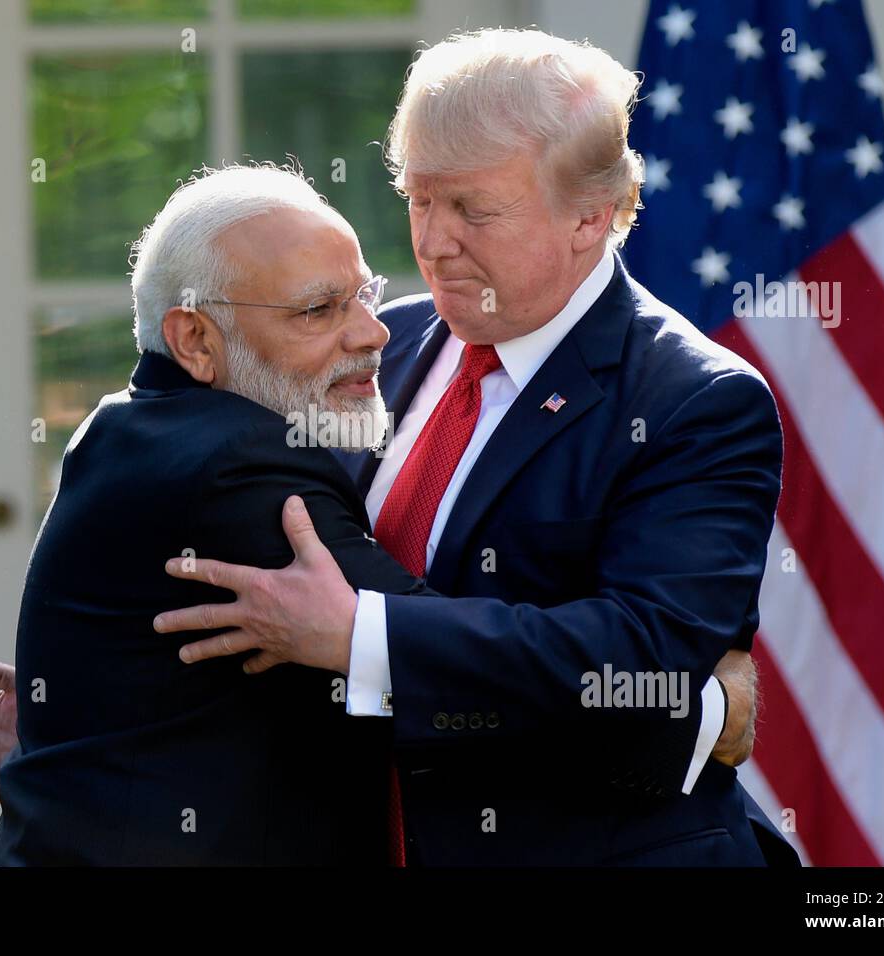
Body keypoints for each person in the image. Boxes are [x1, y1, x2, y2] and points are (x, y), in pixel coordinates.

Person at [0, 162, 761, 865]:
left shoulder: (132, 422)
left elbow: (317, 672)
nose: (373, 334)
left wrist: (91, 710)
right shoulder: (238, 467)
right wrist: (694, 715)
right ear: (195, 340)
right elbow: (417, 651)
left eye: (364, 293)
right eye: (320, 310)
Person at [153, 29, 798, 866]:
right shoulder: (383, 341)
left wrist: (363, 636)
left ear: (590, 215)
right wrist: (81, 704)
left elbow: (640, 667)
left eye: (473, 209)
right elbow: (246, 561)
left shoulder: (698, 402)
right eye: (418, 198)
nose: (433, 241)